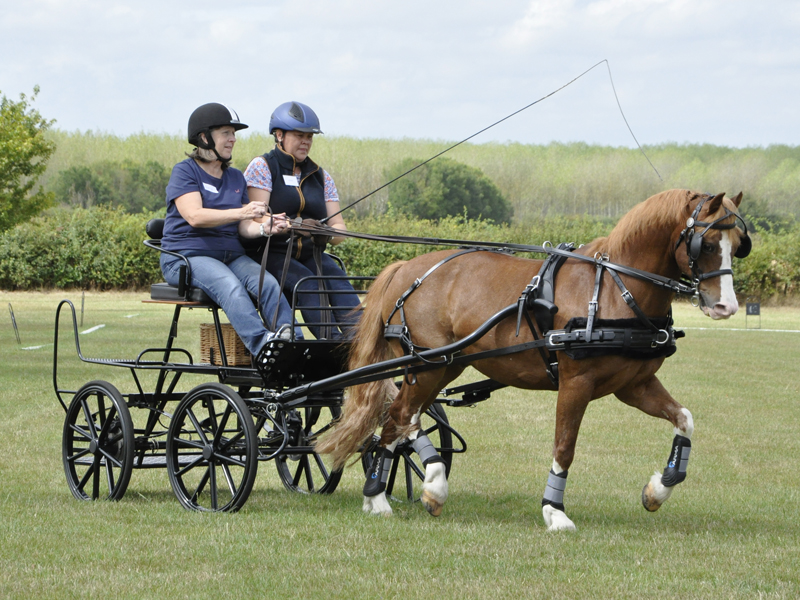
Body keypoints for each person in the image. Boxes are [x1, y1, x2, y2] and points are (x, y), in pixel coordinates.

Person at [159, 102, 298, 376]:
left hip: (231, 255)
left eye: (233, 133)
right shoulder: (185, 172)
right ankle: (265, 348)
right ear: (204, 138)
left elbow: (245, 227)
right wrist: (242, 211)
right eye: (226, 132)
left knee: (269, 285)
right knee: (231, 287)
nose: (233, 138)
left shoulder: (235, 176)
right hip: (188, 257)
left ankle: (292, 346)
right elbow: (195, 216)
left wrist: (266, 228)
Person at [243, 101, 361, 339]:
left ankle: (361, 339)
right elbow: (257, 218)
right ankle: (332, 343)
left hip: (310, 254)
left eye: (310, 136)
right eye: (300, 135)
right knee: (307, 283)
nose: (306, 141)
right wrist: (295, 226)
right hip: (270, 253)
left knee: (337, 278)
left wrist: (324, 231)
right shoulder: (263, 167)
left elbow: (339, 230)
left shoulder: (321, 176)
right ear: (279, 135)